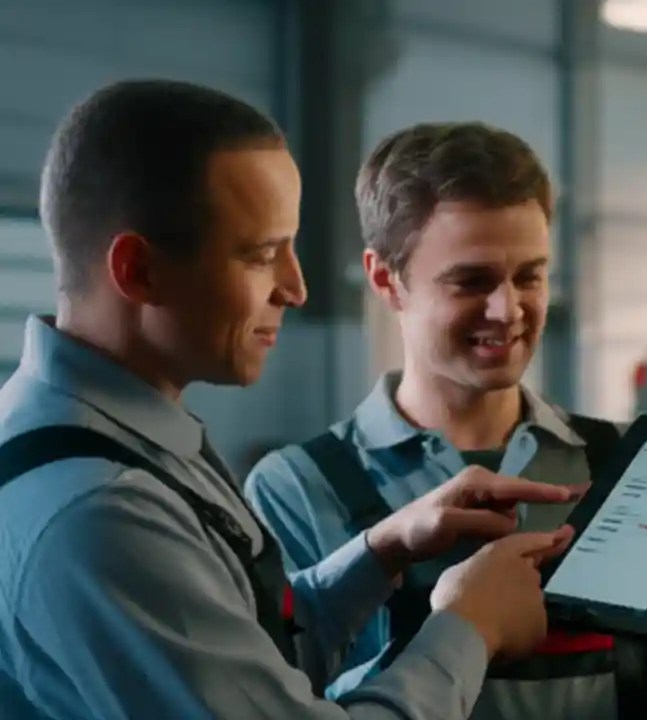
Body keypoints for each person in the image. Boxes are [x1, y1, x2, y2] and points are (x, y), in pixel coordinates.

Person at [0, 80, 583, 719]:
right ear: (138, 270)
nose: (296, 288)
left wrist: (381, 551)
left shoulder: (123, 440)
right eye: (261, 255)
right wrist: (468, 626)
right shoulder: (100, 508)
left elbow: (249, 649)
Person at [246, 121, 647, 719]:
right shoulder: (297, 489)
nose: (508, 309)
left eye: (529, 276)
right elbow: (279, 703)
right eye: (471, 281)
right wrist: (459, 630)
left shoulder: (628, 466)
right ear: (386, 279)